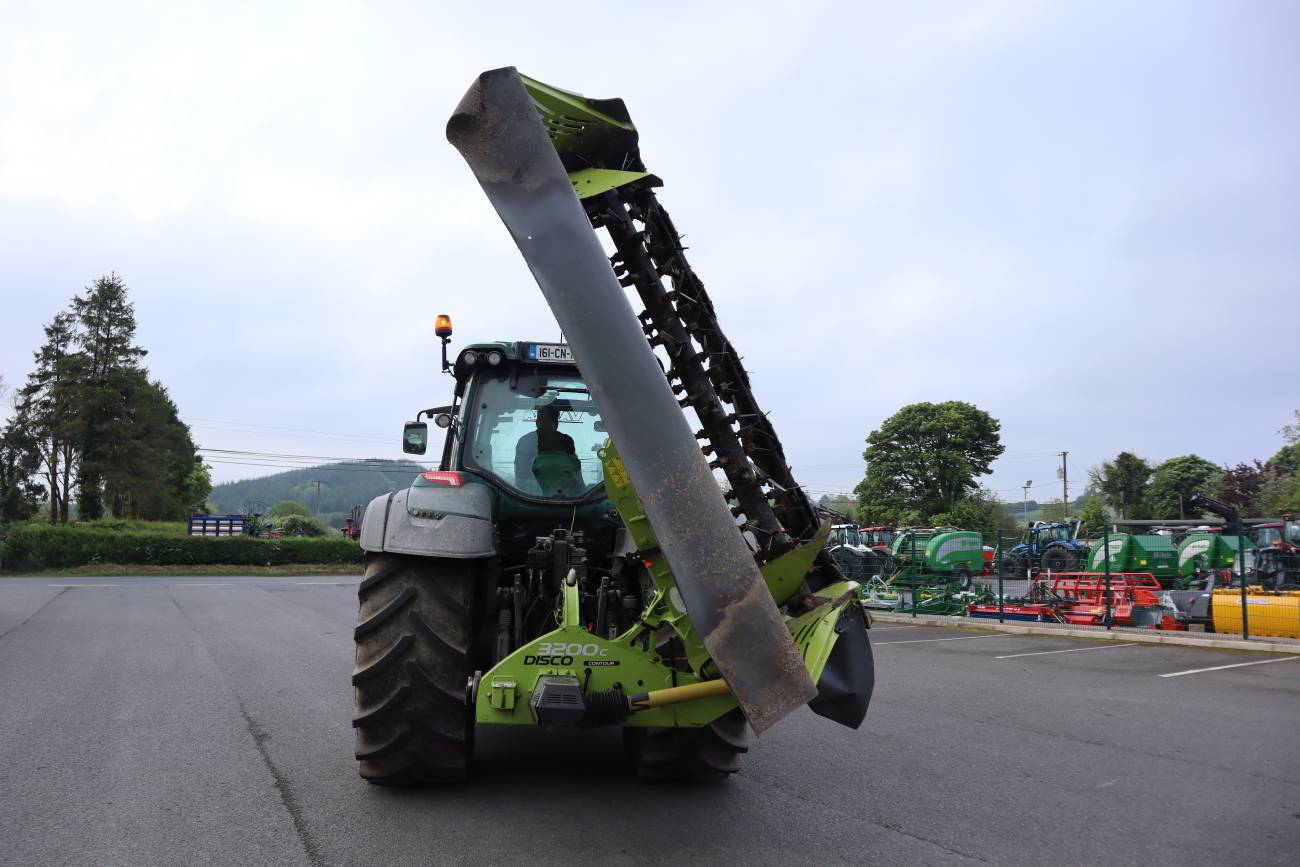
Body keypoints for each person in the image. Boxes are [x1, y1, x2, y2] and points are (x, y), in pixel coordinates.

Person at [514, 401, 577, 491]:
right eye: (545, 420)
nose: (547, 425)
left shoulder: (525, 441)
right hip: (532, 496)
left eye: (550, 420)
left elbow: (520, 477)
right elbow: (521, 477)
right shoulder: (566, 441)